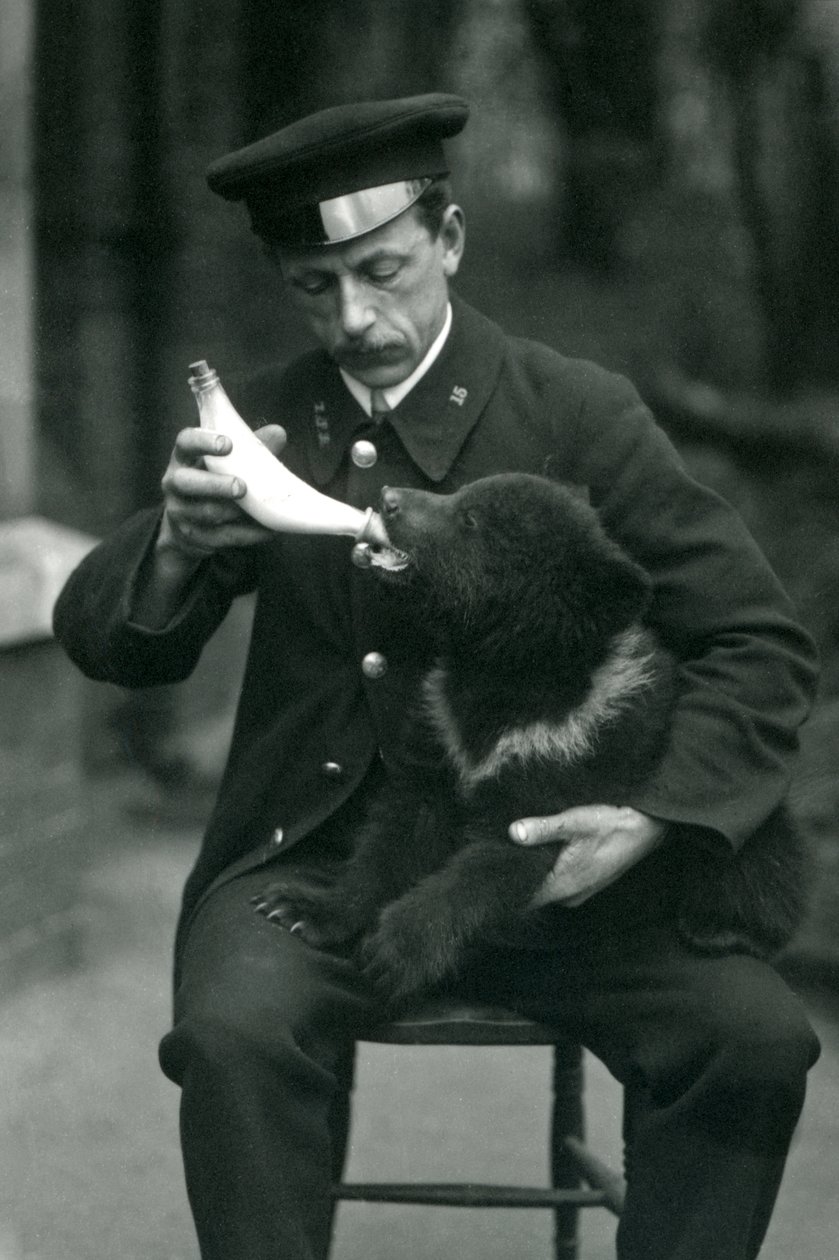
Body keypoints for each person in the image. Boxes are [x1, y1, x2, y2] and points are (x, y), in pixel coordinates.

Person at [53, 93, 821, 1260]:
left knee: (752, 1041)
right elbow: (109, 642)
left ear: (447, 240)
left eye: (382, 270)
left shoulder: (575, 411)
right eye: (316, 286)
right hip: (320, 864)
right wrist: (172, 545)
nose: (356, 318)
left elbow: (757, 644)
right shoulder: (266, 424)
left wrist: (654, 819)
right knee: (231, 1036)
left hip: (568, 873)